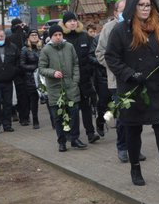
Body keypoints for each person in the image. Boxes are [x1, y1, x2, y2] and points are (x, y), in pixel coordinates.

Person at [106, 0, 159, 189]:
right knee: (133, 130)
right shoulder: (121, 30)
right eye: (141, 5)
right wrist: (129, 74)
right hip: (133, 89)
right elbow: (111, 58)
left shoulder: (157, 28)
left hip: (155, 87)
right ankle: (135, 167)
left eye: (148, 5)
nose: (145, 8)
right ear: (133, 6)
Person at [97, 0, 145, 163]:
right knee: (124, 117)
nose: (125, 13)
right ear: (116, 12)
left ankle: (135, 148)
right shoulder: (109, 28)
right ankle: (123, 147)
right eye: (121, 10)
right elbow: (100, 53)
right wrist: (117, 67)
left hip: (136, 80)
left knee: (137, 116)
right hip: (117, 81)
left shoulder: (138, 27)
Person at [38, 25, 86, 151]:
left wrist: (75, 80)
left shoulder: (69, 47)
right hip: (55, 88)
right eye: (55, 35)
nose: (58, 37)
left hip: (70, 86)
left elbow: (75, 64)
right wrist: (53, 73)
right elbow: (42, 68)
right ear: (51, 36)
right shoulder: (46, 50)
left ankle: (74, 139)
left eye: (60, 34)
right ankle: (62, 141)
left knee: (74, 113)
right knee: (58, 116)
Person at [60, 11, 101, 144]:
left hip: (84, 78)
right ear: (64, 23)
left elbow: (92, 54)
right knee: (71, 108)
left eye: (74, 20)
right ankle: (71, 134)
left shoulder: (84, 36)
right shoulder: (61, 38)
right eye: (69, 21)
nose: (72, 23)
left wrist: (91, 71)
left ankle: (90, 133)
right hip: (68, 79)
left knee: (86, 107)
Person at [87, 24, 110, 137]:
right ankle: (100, 121)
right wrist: (103, 63)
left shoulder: (118, 36)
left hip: (116, 75)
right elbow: (91, 56)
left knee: (114, 104)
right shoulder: (97, 39)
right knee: (103, 103)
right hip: (102, 77)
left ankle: (107, 118)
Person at [19, 29, 43, 129]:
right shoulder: (25, 49)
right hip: (30, 78)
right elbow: (22, 64)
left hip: (42, 77)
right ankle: (35, 119)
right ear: (28, 37)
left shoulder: (42, 48)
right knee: (33, 100)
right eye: (32, 35)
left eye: (36, 35)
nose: (34, 36)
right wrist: (34, 68)